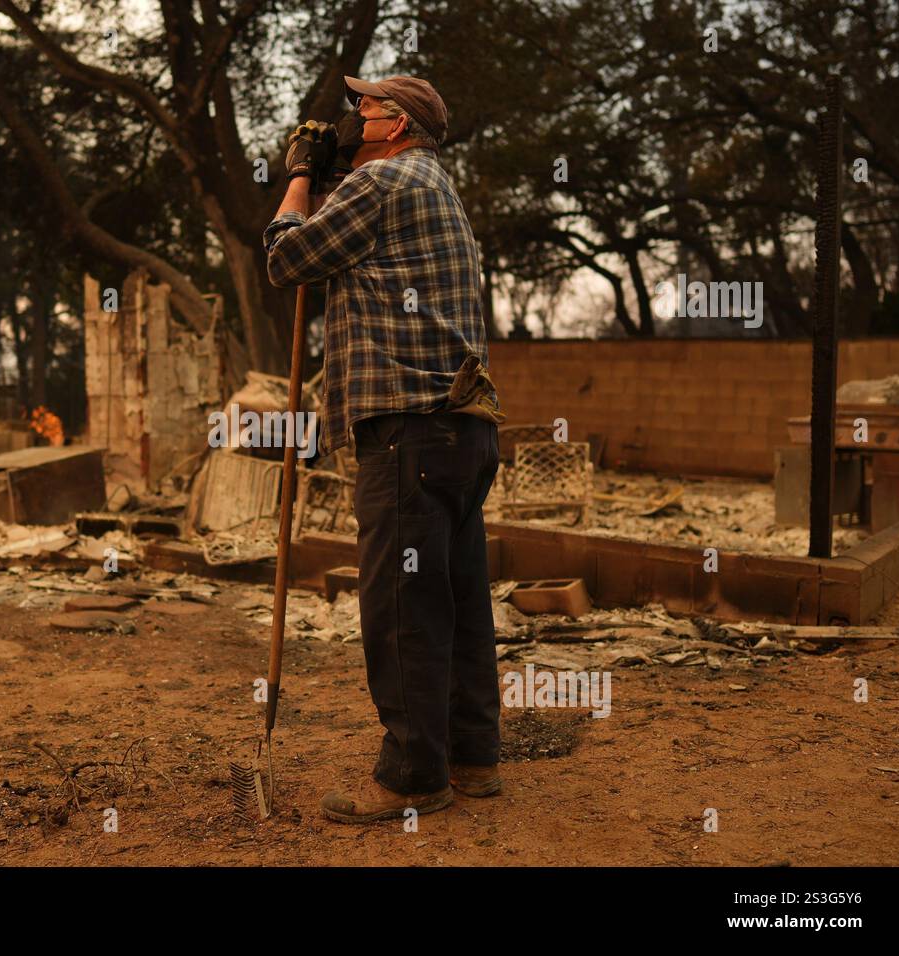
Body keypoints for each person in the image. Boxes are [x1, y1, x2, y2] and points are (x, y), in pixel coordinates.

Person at [264, 75, 505, 823]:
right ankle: (471, 758)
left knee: (403, 605)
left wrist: (299, 175)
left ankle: (412, 778)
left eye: (366, 106)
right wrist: (335, 172)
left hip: (408, 432)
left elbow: (287, 258)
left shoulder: (384, 182)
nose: (353, 114)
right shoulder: (429, 183)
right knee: (458, 601)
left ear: (397, 124)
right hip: (461, 430)